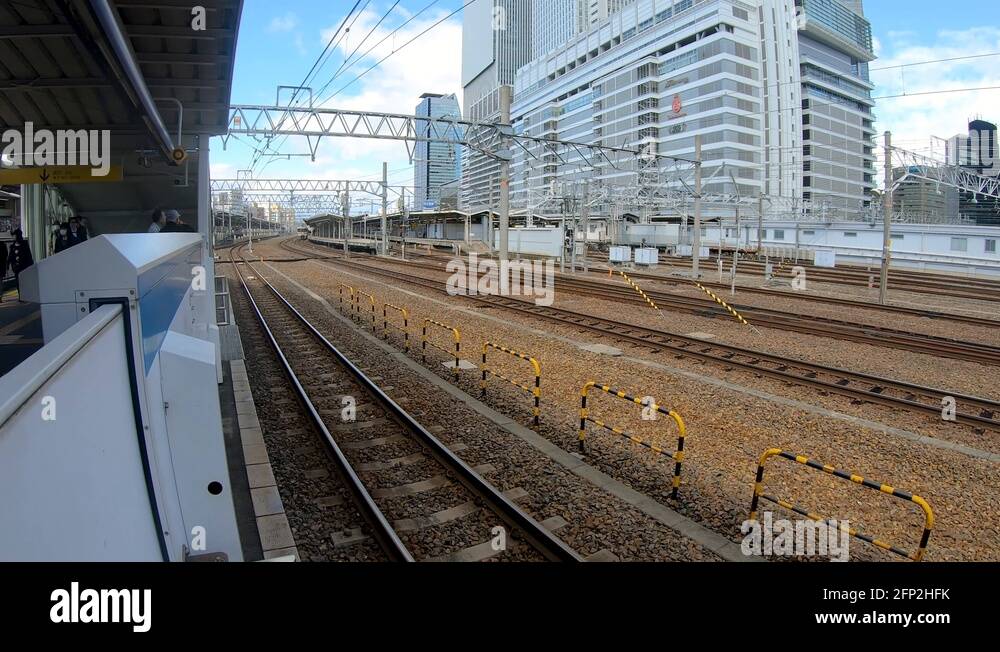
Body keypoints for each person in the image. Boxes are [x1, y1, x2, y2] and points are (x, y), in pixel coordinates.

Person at [9, 229, 34, 302]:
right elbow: (11, 256)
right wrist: (10, 264)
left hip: (24, 266)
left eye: (14, 235)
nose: (13, 237)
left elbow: (28, 255)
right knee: (18, 282)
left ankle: (25, 296)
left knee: (24, 282)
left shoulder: (24, 244)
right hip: (16, 267)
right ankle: (21, 296)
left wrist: (30, 265)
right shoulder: (12, 246)